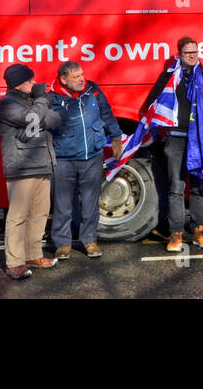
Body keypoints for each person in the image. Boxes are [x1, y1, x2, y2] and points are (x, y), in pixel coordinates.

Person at [141, 37, 203, 252]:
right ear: (179, 54)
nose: (193, 55)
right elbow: (152, 102)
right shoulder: (170, 76)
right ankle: (176, 233)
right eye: (188, 52)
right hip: (175, 138)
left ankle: (199, 230)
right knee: (176, 187)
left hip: (199, 138)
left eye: (195, 51)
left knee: (198, 186)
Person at [49, 60, 124, 259]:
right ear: (63, 79)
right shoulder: (52, 98)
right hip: (64, 158)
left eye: (82, 75)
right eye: (76, 77)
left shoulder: (93, 90)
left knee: (90, 201)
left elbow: (106, 114)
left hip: (92, 156)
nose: (82, 79)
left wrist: (116, 137)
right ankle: (62, 244)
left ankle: (89, 241)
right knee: (62, 202)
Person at [0, 63, 63, 280]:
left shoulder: (31, 102)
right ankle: (15, 262)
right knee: (18, 216)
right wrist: (42, 104)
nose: (34, 84)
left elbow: (56, 120)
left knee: (40, 212)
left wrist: (37, 119)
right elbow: (32, 118)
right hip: (22, 166)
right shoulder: (6, 103)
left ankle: (33, 254)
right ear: (20, 83)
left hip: (43, 162)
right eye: (31, 81)